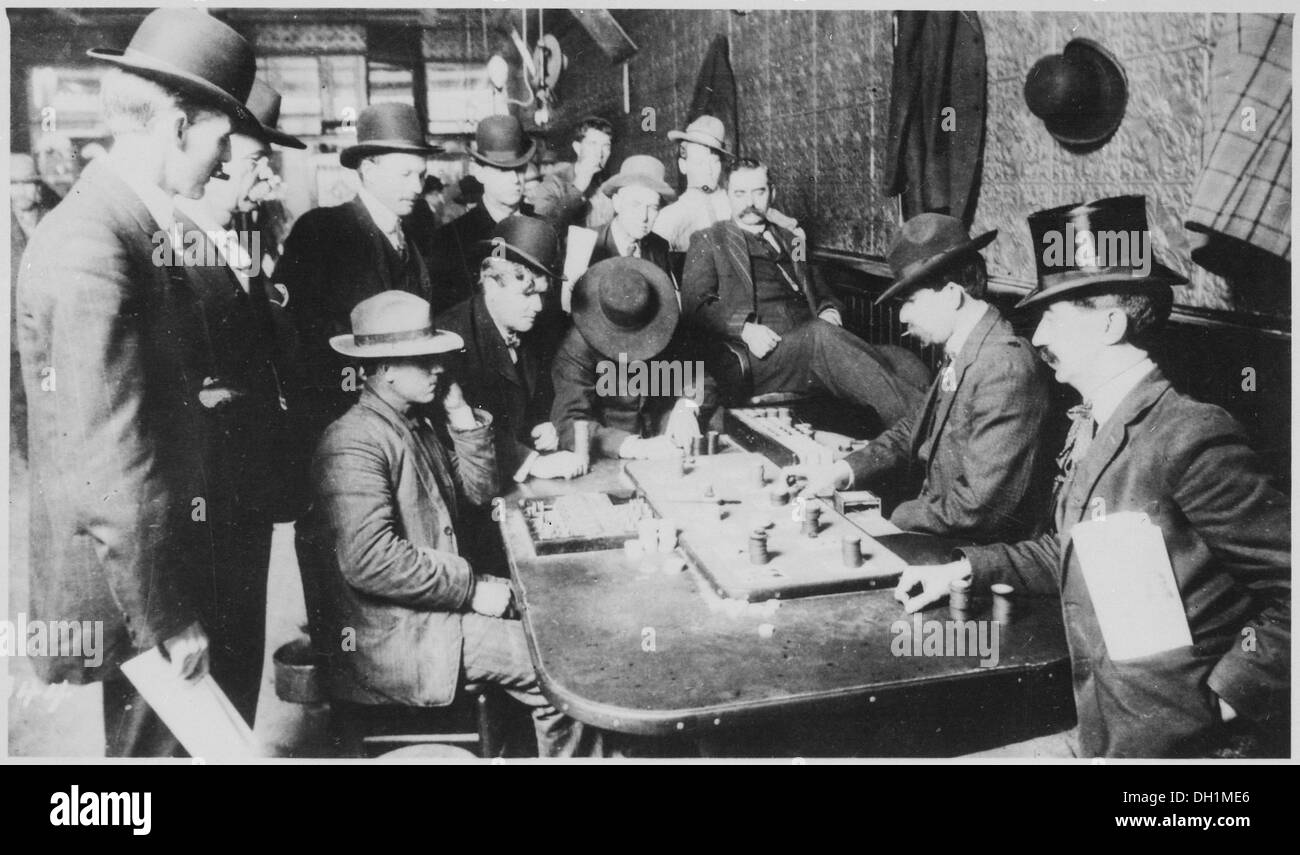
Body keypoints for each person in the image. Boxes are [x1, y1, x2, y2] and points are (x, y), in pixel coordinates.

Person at [895, 196, 1290, 758]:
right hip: (1100, 732)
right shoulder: (1101, 424)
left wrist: (1228, 697)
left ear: (1109, 323)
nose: (1038, 338)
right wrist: (966, 568)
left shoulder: (1190, 436)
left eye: (1053, 316)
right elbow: (1072, 548)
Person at [16, 7, 257, 756]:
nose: (226, 162)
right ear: (179, 125)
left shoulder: (130, 223)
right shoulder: (94, 242)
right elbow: (106, 458)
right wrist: (168, 616)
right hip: (144, 587)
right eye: (221, 140)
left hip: (167, 558)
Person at [295, 291, 594, 757]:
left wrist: (460, 415)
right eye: (424, 360)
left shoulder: (412, 424)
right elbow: (371, 562)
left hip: (427, 616)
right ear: (385, 368)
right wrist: (473, 589)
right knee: (557, 669)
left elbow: (477, 490)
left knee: (557, 624)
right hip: (395, 638)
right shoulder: (352, 443)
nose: (439, 368)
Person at [786, 213, 1052, 544]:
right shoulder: (968, 347)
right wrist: (843, 471)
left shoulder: (1005, 367)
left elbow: (977, 509)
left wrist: (886, 524)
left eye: (911, 300)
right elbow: (914, 426)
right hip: (940, 527)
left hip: (972, 554)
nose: (902, 315)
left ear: (953, 295)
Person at [170, 79, 305, 725]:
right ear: (220, 161)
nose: (267, 181)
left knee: (238, 665)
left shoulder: (235, 242)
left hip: (244, 499)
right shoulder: (173, 249)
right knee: (198, 692)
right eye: (256, 162)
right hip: (201, 512)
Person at [681, 158, 930, 431]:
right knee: (819, 337)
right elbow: (696, 306)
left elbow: (821, 290)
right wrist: (744, 328)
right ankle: (930, 436)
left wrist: (829, 310)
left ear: (772, 193)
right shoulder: (708, 240)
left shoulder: (792, 241)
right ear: (727, 195)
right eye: (740, 193)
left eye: (759, 192)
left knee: (906, 363)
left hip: (815, 345)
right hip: (758, 358)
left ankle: (922, 452)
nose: (749, 202)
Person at [274, 102, 439, 455]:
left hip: (407, 420)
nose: (417, 186)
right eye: (405, 174)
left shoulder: (418, 231)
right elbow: (294, 335)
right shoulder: (321, 230)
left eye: (421, 176)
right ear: (368, 169)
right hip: (340, 419)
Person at [435, 216, 584, 482]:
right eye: (527, 294)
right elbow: (451, 429)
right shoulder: (450, 337)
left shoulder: (538, 327)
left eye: (542, 294)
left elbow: (540, 400)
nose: (538, 306)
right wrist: (531, 462)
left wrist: (549, 425)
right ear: (492, 285)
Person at [552, 257, 712, 460]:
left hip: (669, 448)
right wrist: (631, 447)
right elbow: (569, 421)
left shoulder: (666, 325)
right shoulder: (576, 346)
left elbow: (702, 379)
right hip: (609, 458)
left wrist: (686, 408)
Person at [425, 115, 536, 313]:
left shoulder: (541, 228)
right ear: (478, 172)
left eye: (519, 168)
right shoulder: (450, 240)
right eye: (503, 170)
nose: (515, 179)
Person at [653, 115, 801, 252]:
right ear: (683, 166)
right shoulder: (669, 217)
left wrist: (795, 232)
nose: (709, 170)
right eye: (699, 162)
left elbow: (786, 225)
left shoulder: (737, 199)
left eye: (715, 162)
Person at [10, 153, 58, 461]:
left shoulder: (53, 217)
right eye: (15, 184)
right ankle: (32, 460)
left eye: (30, 184)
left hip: (52, 324)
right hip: (13, 333)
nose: (25, 192)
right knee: (20, 398)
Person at [588, 154, 676, 279]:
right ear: (617, 203)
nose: (644, 217)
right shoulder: (588, 243)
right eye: (636, 204)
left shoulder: (659, 247)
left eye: (652, 207)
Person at [531, 115, 614, 230]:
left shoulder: (610, 183)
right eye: (593, 144)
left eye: (606, 146)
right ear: (577, 148)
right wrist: (578, 188)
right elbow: (543, 230)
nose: (600, 154)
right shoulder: (552, 184)